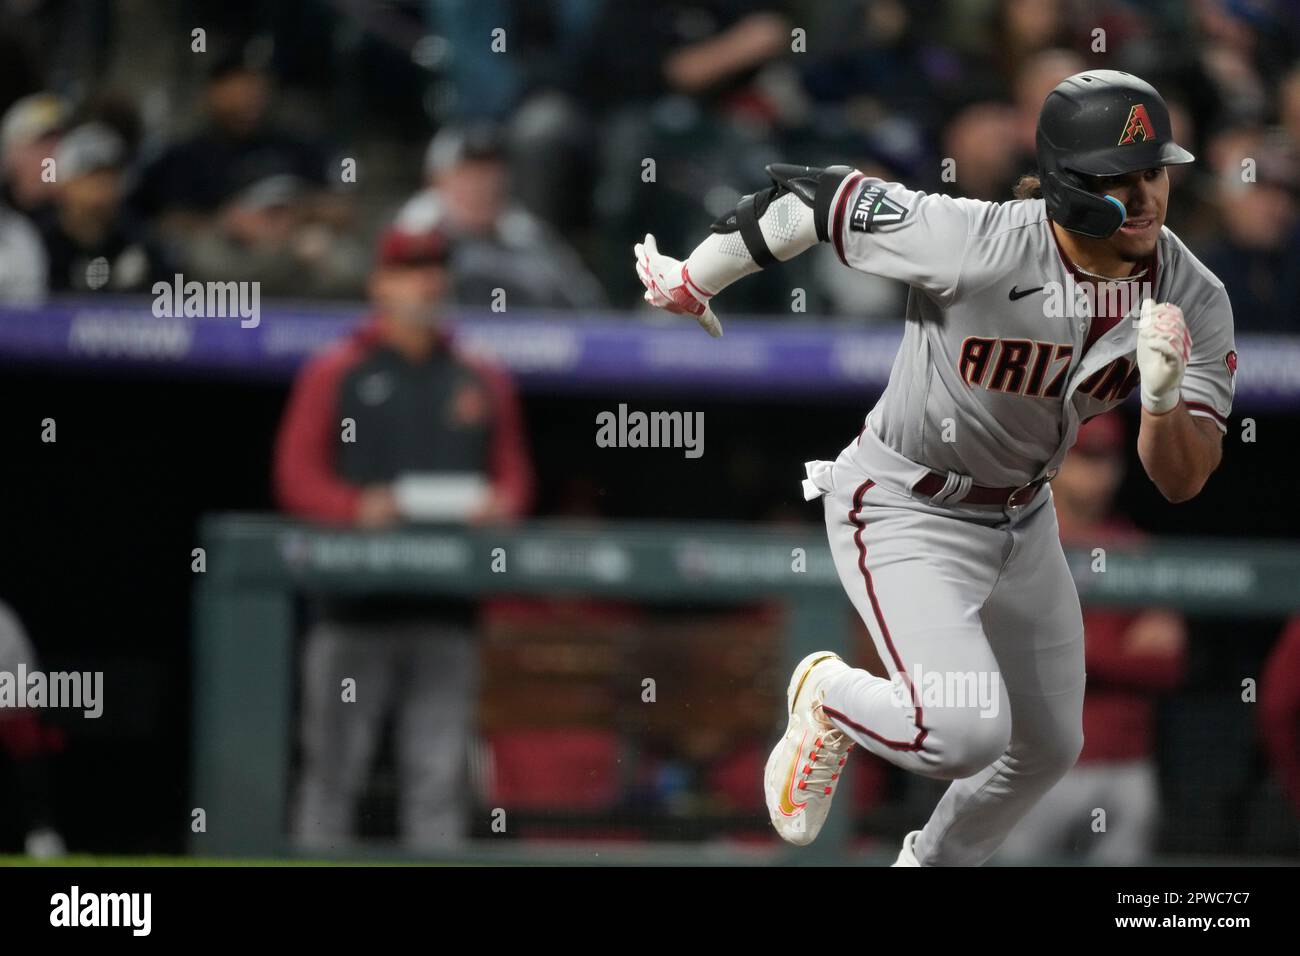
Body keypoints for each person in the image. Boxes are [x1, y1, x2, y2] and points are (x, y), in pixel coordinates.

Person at [635, 70, 1235, 866]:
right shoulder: (975, 238)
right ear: (1067, 186)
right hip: (905, 503)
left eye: (1154, 170)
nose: (1148, 194)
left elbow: (1183, 479)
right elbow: (810, 202)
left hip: (1022, 517)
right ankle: (829, 694)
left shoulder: (1193, 293)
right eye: (1119, 179)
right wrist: (694, 278)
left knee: (1048, 748)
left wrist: (1160, 402)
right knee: (962, 731)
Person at [274, 224, 533, 850]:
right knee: (334, 773)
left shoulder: (478, 375)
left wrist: (498, 505)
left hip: (445, 609)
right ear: (379, 285)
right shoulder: (337, 369)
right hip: (352, 606)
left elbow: (515, 478)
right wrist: (355, 505)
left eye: (435, 269)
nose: (427, 282)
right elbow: (295, 477)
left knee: (438, 777)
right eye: (411, 270)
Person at [997, 414, 1187, 864]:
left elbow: (1169, 664)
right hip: (1029, 766)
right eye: (1085, 457)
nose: (1099, 473)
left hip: (1125, 765)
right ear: (1055, 462)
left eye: (1108, 459)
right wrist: (1118, 648)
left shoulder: (1137, 550)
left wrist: (1063, 645)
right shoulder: (1011, 540)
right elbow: (1000, 654)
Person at [396, 122, 606, 310]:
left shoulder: (529, 237)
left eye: (491, 175)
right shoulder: (410, 237)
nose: (482, 188)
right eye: (469, 175)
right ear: (436, 181)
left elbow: (587, 308)